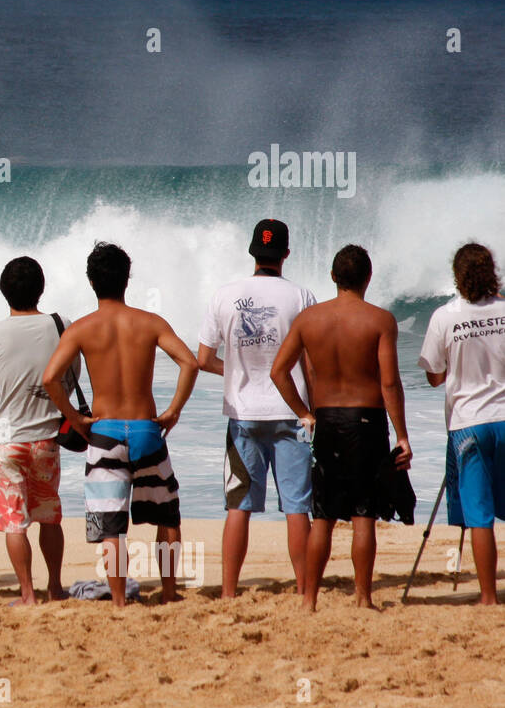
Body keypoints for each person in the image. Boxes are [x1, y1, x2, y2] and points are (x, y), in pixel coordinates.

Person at [41, 242, 198, 606]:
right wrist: (173, 410)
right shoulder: (150, 323)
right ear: (127, 279)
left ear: (91, 282)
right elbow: (189, 363)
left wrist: (76, 417)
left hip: (105, 432)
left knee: (111, 526)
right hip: (146, 430)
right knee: (167, 517)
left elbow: (51, 378)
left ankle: (118, 601)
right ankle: (170, 592)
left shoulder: (81, 328)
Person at [270, 244, 413, 611]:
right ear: (368, 277)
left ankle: (309, 601)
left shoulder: (308, 319)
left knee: (323, 516)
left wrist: (305, 412)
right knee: (363, 514)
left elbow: (278, 372)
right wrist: (401, 435)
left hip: (328, 421)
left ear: (333, 277)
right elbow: (389, 384)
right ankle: (363, 599)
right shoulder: (380, 320)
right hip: (367, 421)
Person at [197, 219, 318, 597]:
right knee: (297, 507)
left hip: (243, 416)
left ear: (252, 252)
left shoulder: (224, 295)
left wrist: (234, 370)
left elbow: (203, 359)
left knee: (239, 506)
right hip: (292, 414)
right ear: (285, 253)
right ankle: (303, 588)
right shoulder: (301, 297)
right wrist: (313, 408)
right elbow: (310, 364)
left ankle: (230, 591)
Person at [0, 256, 78, 604]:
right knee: (49, 516)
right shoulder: (61, 324)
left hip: (6, 441)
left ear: (4, 292)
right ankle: (54, 587)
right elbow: (70, 376)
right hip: (47, 439)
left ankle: (27, 593)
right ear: (41, 288)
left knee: (14, 522)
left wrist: (9, 409)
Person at [418, 243, 505, 605]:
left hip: (468, 423)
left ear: (457, 275)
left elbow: (434, 376)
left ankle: (487, 597)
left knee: (479, 514)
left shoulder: (444, 316)